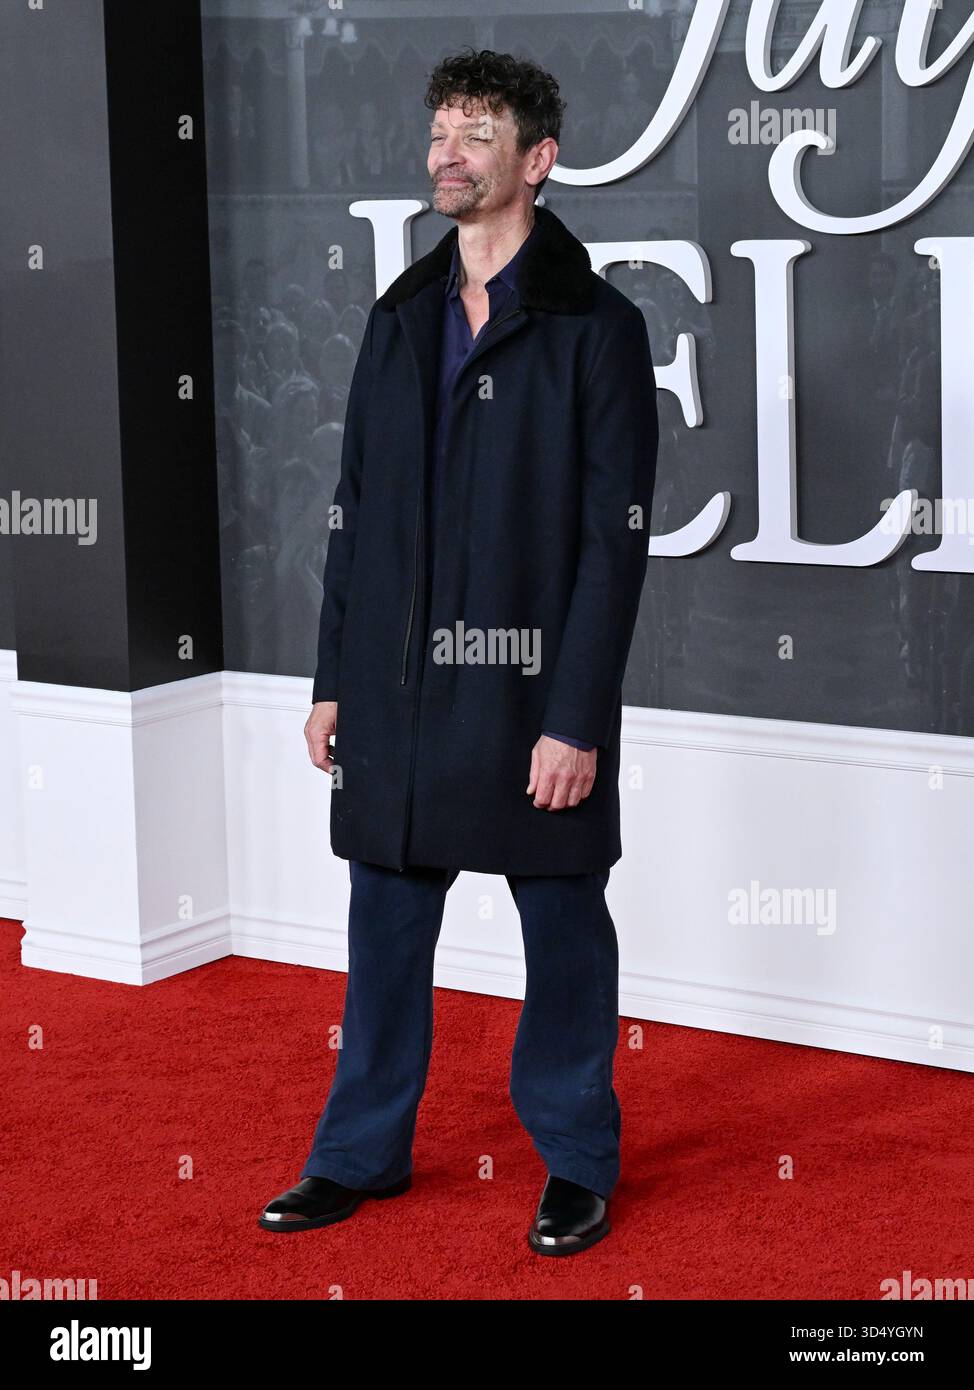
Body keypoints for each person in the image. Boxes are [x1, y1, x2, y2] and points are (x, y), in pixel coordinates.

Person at [259, 47, 659, 1256]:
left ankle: (576, 1160)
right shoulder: (395, 316)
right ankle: (357, 1153)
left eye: (475, 132)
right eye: (439, 129)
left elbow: (613, 545)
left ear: (536, 160)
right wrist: (333, 674)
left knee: (562, 932)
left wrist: (575, 717)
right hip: (394, 691)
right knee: (380, 931)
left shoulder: (598, 325)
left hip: (535, 693)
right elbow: (355, 507)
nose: (446, 150)